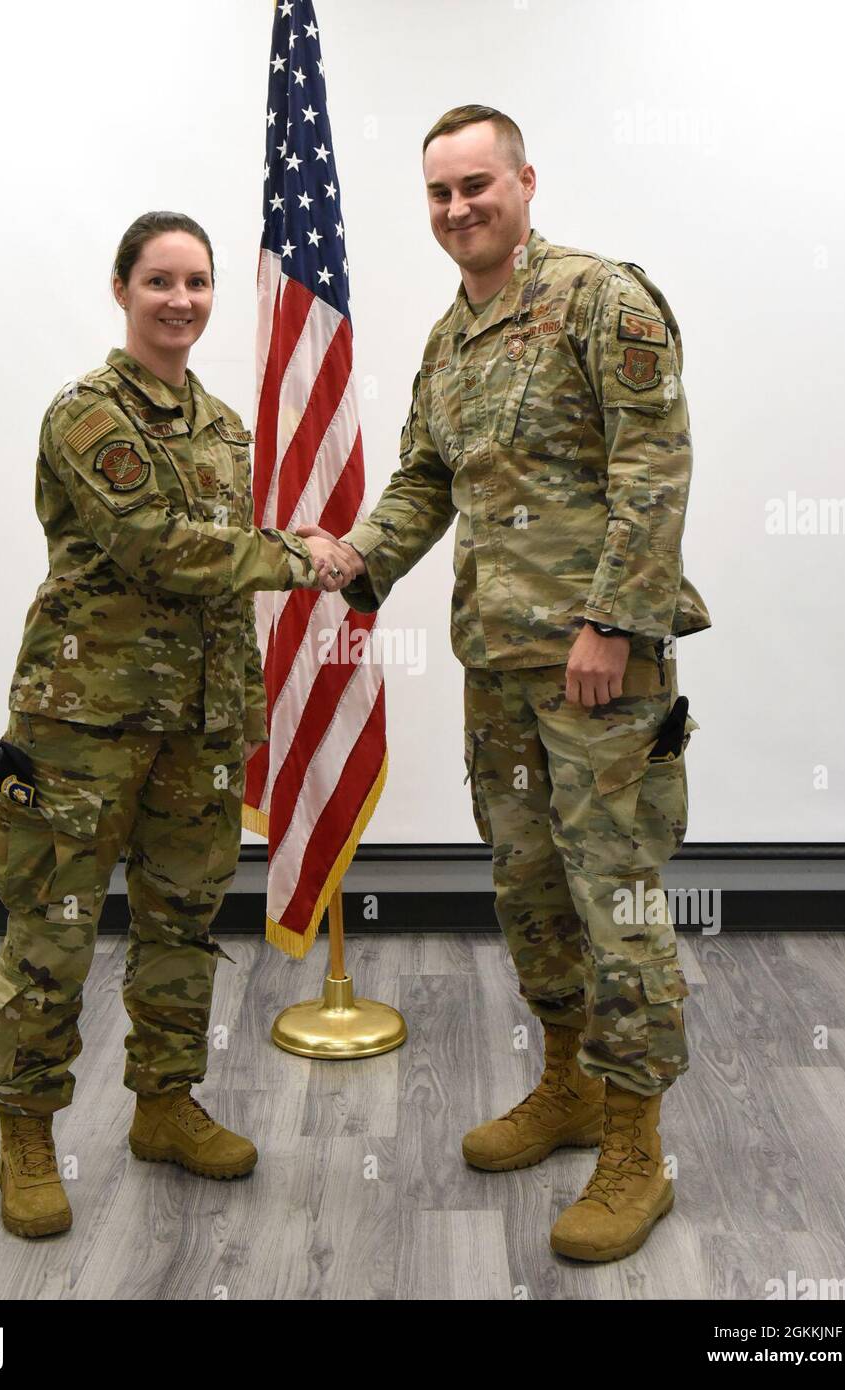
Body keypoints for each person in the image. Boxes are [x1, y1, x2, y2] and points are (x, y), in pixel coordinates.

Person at [301, 107, 712, 1263]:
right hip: (498, 667)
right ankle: (571, 1085)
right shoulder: (448, 341)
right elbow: (421, 482)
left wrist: (611, 621)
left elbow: (653, 460)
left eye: (475, 185)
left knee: (616, 899)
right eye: (437, 194)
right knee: (528, 890)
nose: (456, 209)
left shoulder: (597, 298)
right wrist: (353, 557)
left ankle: (636, 1148)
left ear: (524, 180)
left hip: (599, 672)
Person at [0, 211, 359, 1239]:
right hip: (82, 725)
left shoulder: (228, 427)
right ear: (121, 290)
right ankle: (25, 1133)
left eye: (196, 282)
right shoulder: (87, 415)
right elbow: (158, 548)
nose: (180, 300)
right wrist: (297, 553)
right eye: (158, 281)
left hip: (196, 724)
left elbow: (215, 577)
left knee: (180, 928)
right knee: (51, 936)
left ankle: (163, 1105)